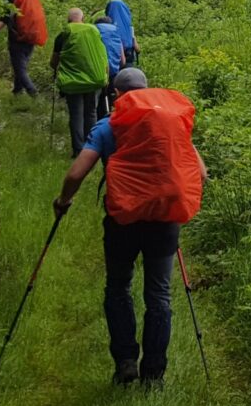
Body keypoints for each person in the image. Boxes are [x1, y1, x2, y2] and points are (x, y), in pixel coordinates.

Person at [53, 67, 206, 387]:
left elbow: (75, 174)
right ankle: (154, 375)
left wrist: (63, 202)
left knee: (118, 287)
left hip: (122, 221)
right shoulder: (171, 124)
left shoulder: (108, 126)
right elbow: (201, 173)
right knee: (159, 297)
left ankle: (125, 363)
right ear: (148, 90)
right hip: (164, 222)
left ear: (116, 96)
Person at [50, 7, 109, 156]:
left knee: (76, 114)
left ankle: (78, 149)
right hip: (95, 79)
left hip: (73, 82)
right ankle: (92, 149)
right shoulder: (94, 32)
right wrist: (105, 75)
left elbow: (54, 62)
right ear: (83, 19)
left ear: (68, 20)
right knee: (91, 113)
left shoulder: (64, 34)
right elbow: (103, 56)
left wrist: (56, 68)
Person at [94, 14, 125, 114]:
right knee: (112, 102)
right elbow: (123, 61)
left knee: (95, 105)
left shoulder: (94, 33)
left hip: (97, 73)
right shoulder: (116, 34)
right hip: (113, 73)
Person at [106, 0, 137, 65]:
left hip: (113, 60)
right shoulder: (129, 27)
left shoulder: (107, 26)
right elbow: (137, 47)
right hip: (129, 59)